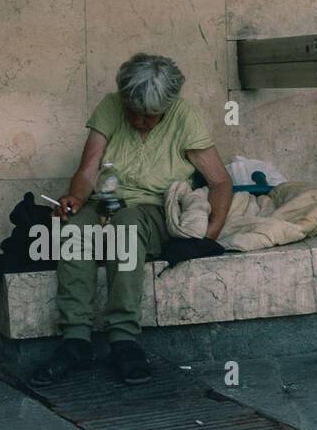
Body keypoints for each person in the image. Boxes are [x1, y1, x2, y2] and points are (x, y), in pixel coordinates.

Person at [30, 53, 232, 386]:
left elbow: (220, 181)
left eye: (149, 117)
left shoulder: (185, 117)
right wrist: (76, 198)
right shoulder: (110, 107)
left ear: (166, 108)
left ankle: (123, 338)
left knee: (125, 226)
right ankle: (75, 339)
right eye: (133, 113)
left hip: (150, 210)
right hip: (104, 203)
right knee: (74, 227)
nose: (139, 122)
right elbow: (88, 170)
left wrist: (209, 235)